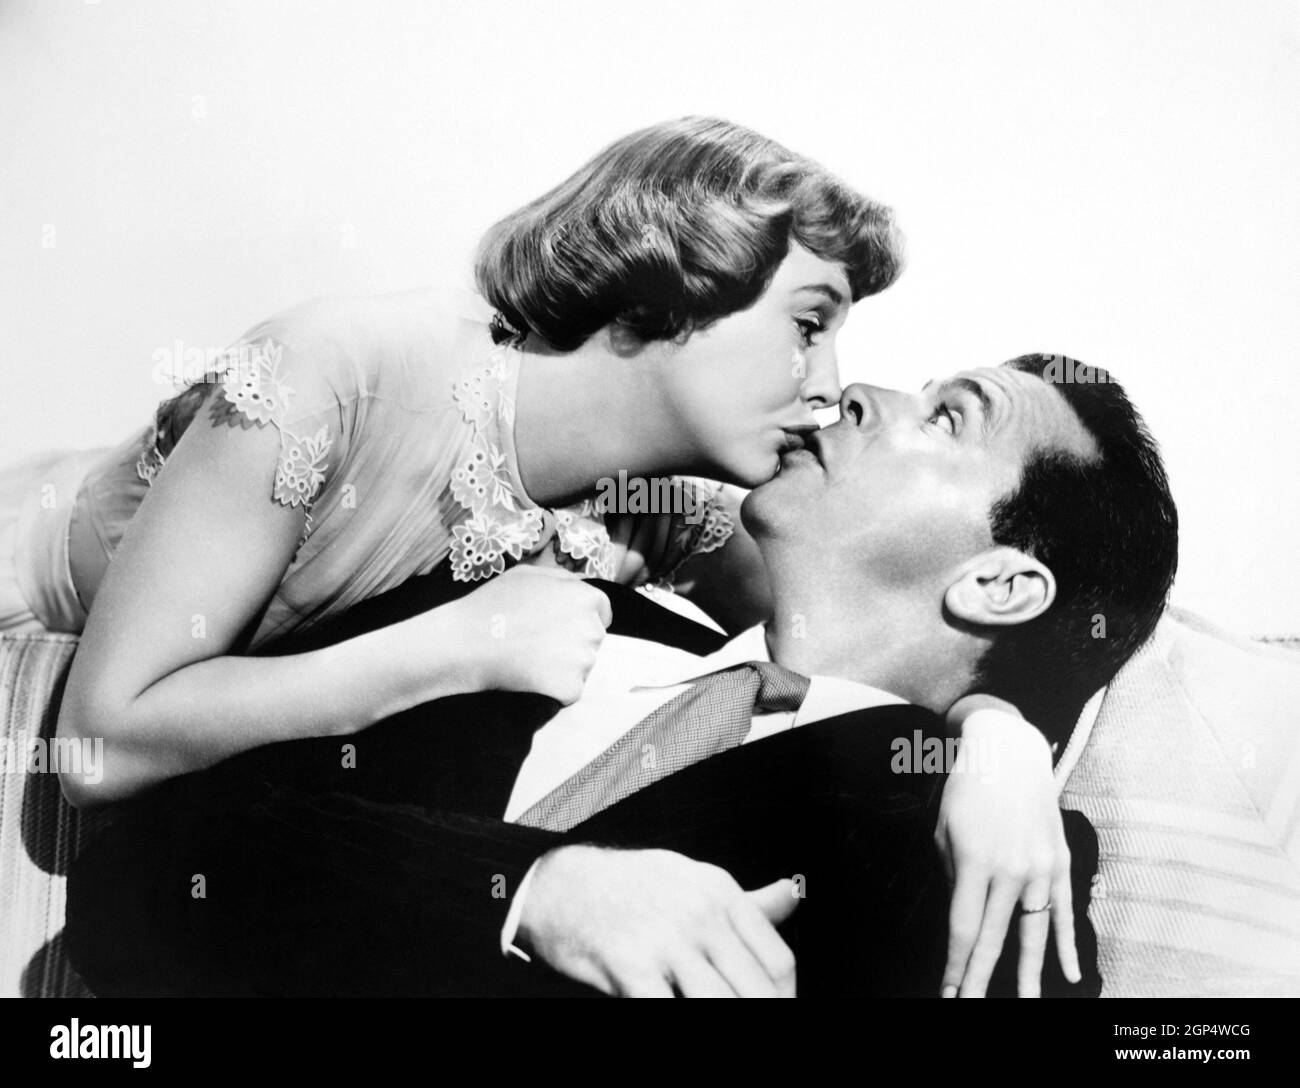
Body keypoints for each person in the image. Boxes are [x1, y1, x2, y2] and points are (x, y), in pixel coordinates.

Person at [64, 356, 1179, 998]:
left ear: (1000, 586)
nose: (868, 391)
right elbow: (135, 886)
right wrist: (535, 890)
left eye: (948, 416)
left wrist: (988, 738)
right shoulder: (527, 612)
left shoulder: (974, 844)